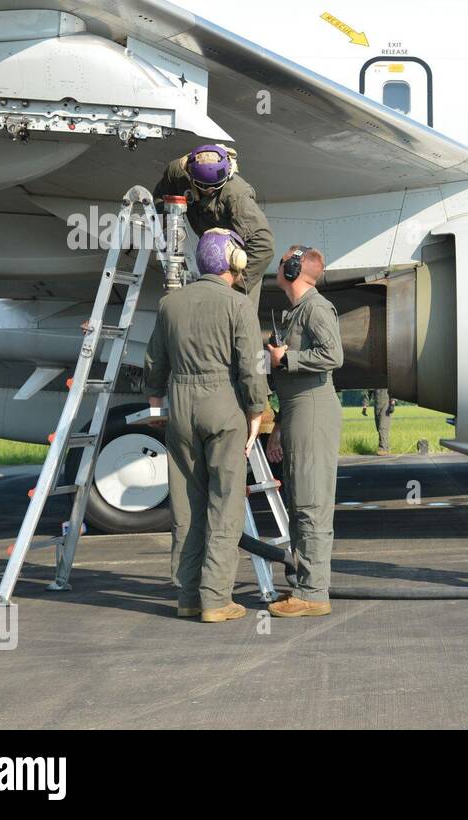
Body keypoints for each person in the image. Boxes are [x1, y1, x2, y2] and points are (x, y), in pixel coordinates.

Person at [144, 228, 268, 622]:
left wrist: (156, 403)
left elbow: (154, 363)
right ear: (234, 261)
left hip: (179, 403)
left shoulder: (170, 304)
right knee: (225, 501)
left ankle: (188, 596)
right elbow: (250, 368)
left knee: (185, 503)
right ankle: (216, 599)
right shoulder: (239, 305)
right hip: (222, 400)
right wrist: (257, 412)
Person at [264, 246, 344, 617]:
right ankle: (301, 585)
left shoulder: (315, 308)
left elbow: (333, 355)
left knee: (312, 504)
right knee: (298, 502)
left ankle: (314, 593)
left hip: (313, 411)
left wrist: (287, 359)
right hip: (296, 411)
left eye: (282, 263)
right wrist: (279, 427)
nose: (278, 267)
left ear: (293, 269)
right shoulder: (296, 311)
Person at [153, 144, 274, 309]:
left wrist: (236, 285)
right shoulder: (177, 172)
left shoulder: (236, 195)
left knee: (235, 312)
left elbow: (263, 245)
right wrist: (171, 232)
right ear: (191, 175)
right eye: (204, 187)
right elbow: (161, 198)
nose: (210, 191)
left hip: (237, 262)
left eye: (216, 187)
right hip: (208, 253)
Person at [361, 389, 396, 454]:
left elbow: (393, 390)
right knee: (378, 427)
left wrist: (392, 403)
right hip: (377, 406)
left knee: (382, 427)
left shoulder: (387, 379)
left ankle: (382, 448)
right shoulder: (373, 380)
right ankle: (387, 448)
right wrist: (364, 406)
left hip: (386, 405)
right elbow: (368, 393)